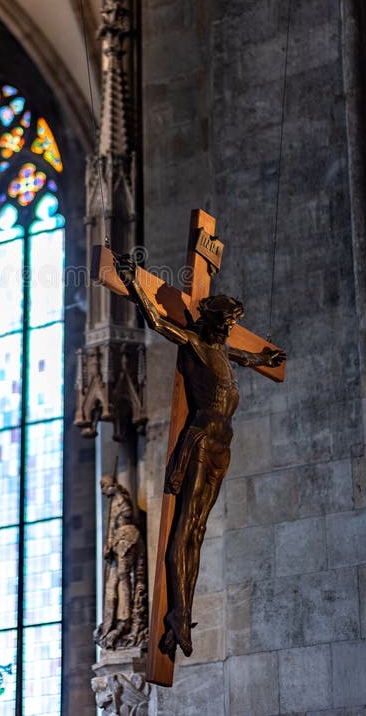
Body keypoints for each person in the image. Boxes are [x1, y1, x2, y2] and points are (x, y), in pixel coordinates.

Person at [115, 254, 286, 660]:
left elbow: (243, 358)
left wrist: (264, 359)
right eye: (225, 323)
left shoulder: (224, 350)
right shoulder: (193, 341)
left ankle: (182, 610)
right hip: (201, 440)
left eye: (230, 325)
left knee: (200, 530)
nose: (229, 329)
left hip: (222, 446)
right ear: (211, 321)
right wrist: (133, 282)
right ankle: (179, 612)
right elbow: (158, 323)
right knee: (185, 527)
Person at [95, 475, 146, 649]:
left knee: (124, 577)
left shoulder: (120, 499)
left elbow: (128, 513)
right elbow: (111, 529)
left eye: (104, 487)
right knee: (112, 585)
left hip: (126, 539)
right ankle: (115, 622)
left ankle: (126, 620)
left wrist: (118, 493)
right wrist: (109, 544)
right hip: (117, 542)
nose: (102, 491)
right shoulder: (113, 503)